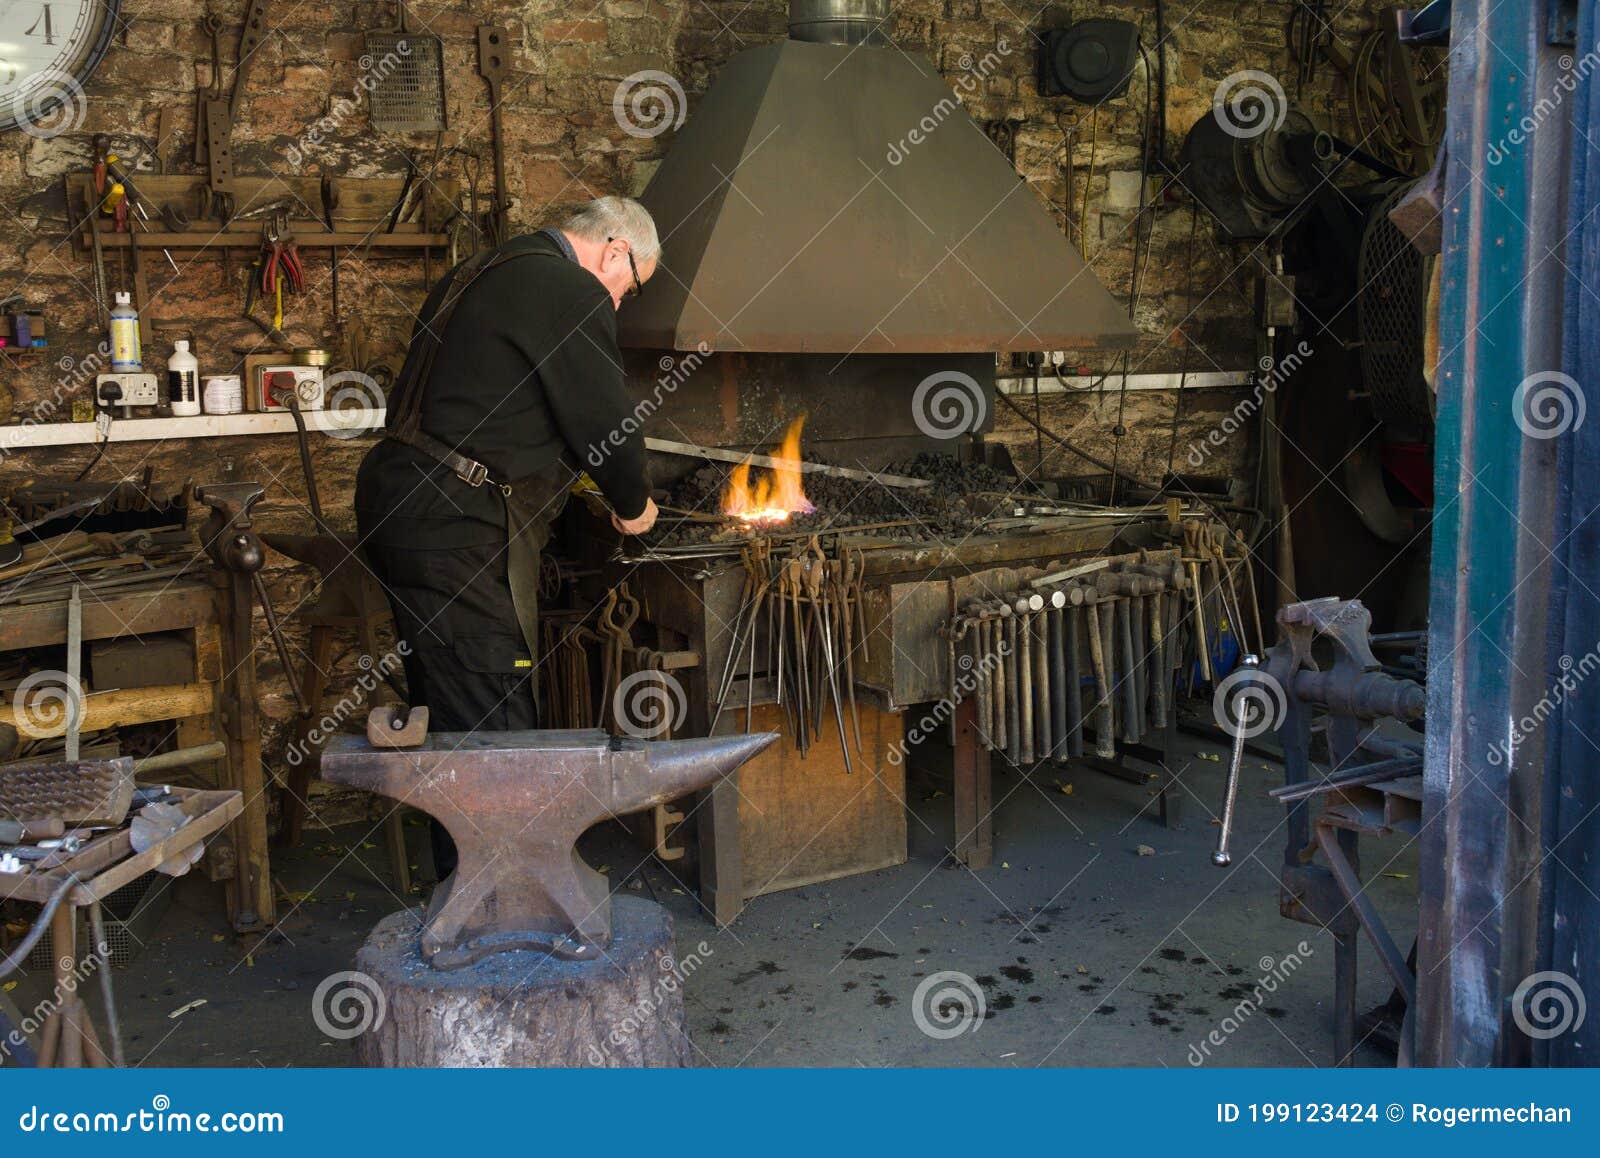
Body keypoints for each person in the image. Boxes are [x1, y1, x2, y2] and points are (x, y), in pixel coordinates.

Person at [354, 197, 661, 875]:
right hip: (452, 520)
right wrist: (633, 502)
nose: (618, 303)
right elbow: (605, 419)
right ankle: (500, 904)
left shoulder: (485, 269)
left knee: (453, 708)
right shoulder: (568, 287)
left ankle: (463, 887)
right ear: (616, 250)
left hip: (405, 501)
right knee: (492, 713)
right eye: (630, 287)